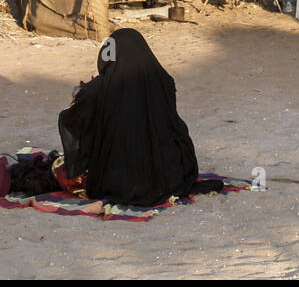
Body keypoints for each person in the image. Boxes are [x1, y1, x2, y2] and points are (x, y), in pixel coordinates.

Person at [56, 28, 221, 205]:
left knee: (61, 168)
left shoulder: (101, 88)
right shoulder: (164, 80)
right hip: (172, 172)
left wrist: (79, 96)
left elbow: (73, 119)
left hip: (119, 178)